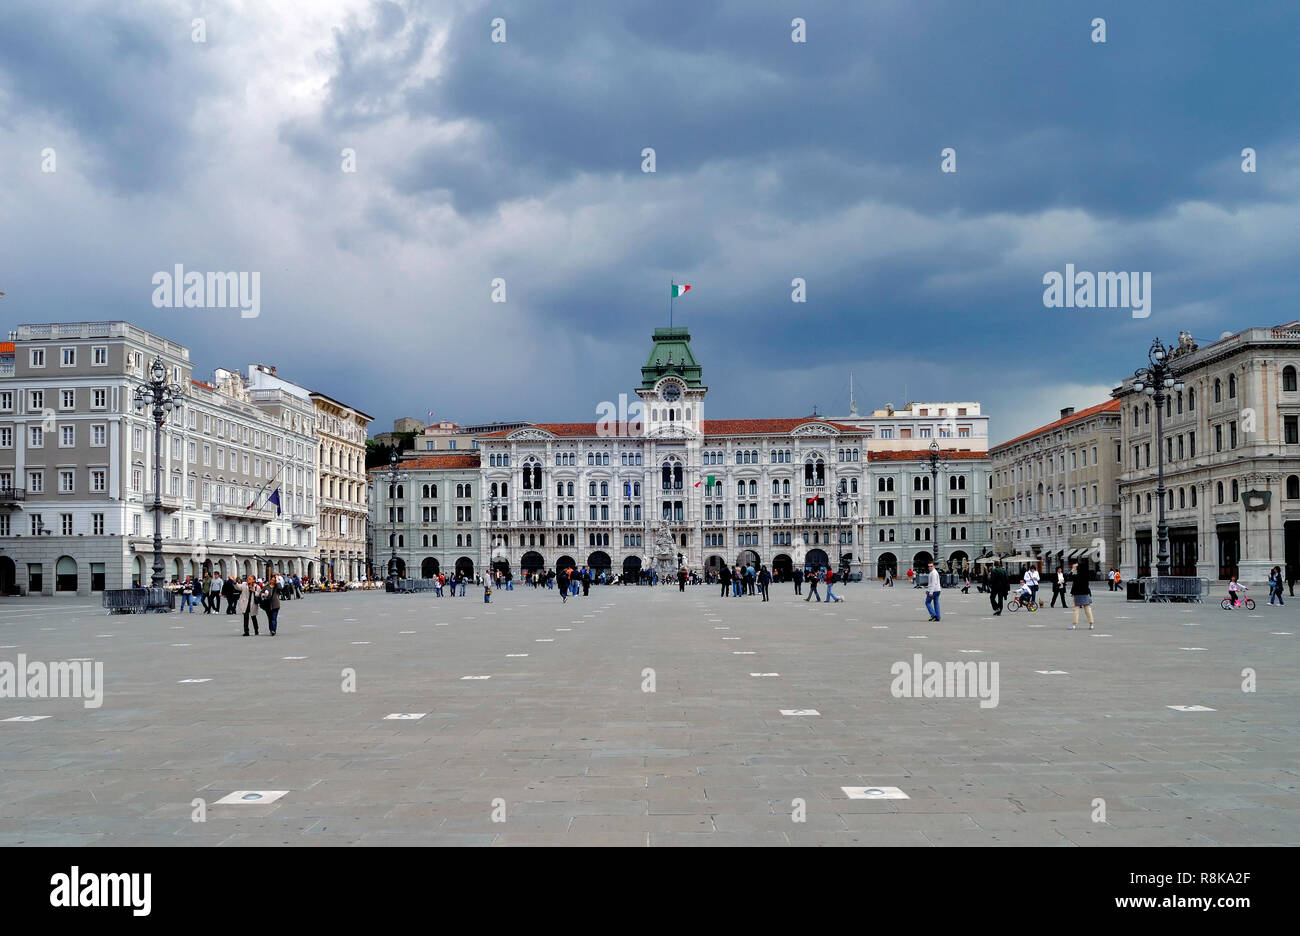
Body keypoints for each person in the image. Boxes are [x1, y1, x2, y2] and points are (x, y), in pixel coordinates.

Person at [1068, 559, 1094, 629]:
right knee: (1088, 608)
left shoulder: (1076, 576)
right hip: (1085, 593)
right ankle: (1091, 624)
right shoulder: (1086, 575)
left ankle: (1074, 624)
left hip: (1077, 593)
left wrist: (1072, 569)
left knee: (1076, 609)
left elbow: (1069, 577)